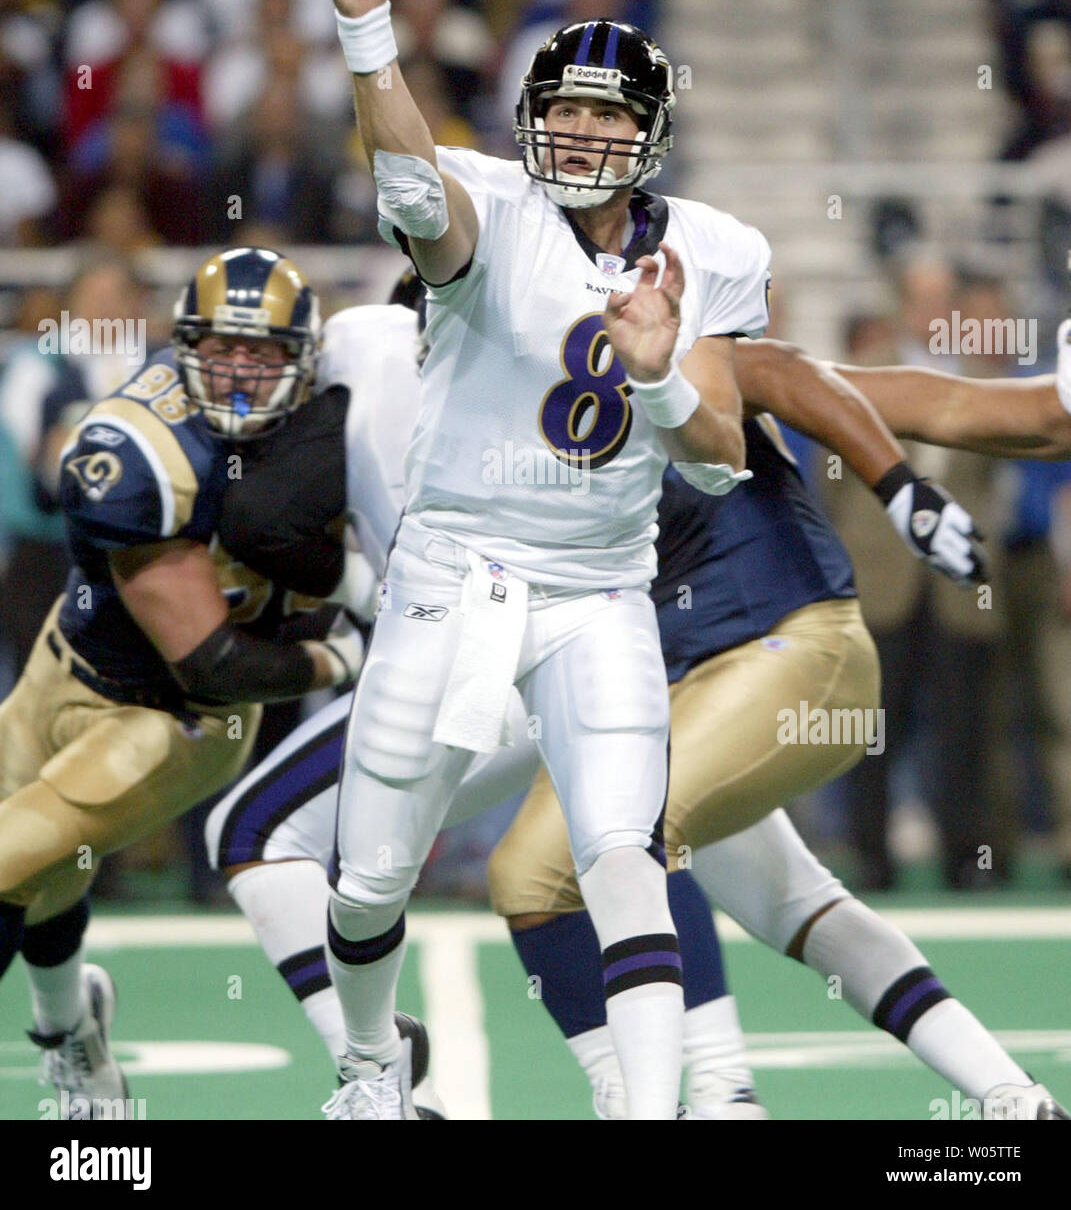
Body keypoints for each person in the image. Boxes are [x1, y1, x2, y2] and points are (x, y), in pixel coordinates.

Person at [208, 298, 1062, 1119]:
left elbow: (802, 375)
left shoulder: (632, 360)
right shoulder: (506, 436)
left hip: (781, 650)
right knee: (797, 904)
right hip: (688, 687)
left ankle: (659, 1101)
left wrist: (904, 481)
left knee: (541, 868)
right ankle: (1009, 1098)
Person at [318, 0, 770, 1120]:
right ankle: (369, 1068)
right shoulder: (486, 201)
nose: (579, 127)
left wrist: (663, 365)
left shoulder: (711, 253)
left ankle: (645, 1110)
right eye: (562, 106)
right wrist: (368, 29)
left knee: (624, 858)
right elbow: (410, 171)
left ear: (648, 133)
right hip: (453, 570)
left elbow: (722, 458)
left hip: (598, 587)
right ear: (530, 118)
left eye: (605, 110)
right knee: (368, 881)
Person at [0, 246, 363, 1120]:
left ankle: (373, 1068)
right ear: (184, 343)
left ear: (303, 360)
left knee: (13, 859)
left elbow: (211, 673)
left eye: (265, 353)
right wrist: (341, 658)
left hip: (173, 720)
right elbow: (217, 650)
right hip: (71, 658)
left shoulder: (339, 420)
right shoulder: (137, 449)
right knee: (45, 868)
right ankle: (76, 1045)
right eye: (224, 349)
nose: (241, 371)